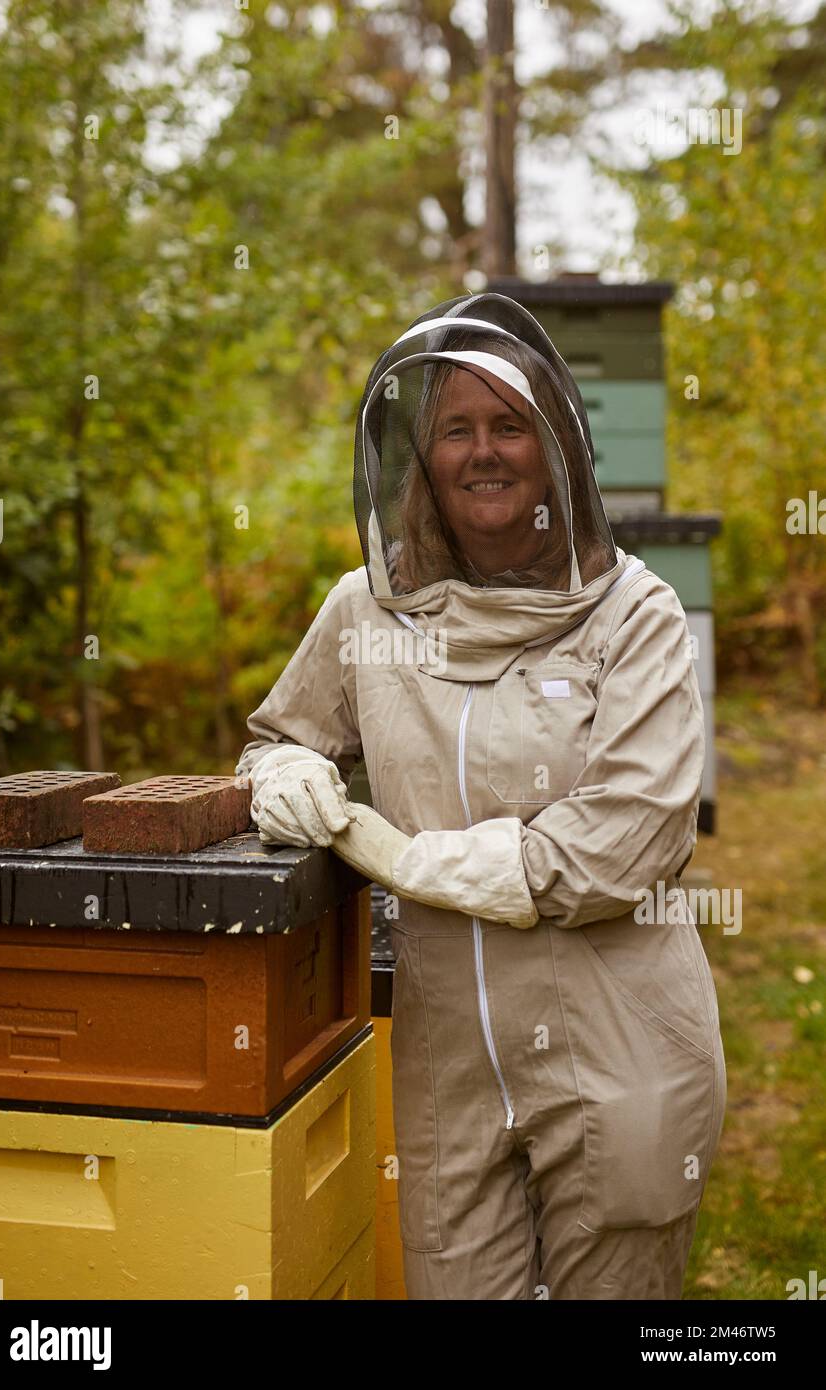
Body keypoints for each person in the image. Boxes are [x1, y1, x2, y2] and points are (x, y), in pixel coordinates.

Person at [235, 291, 727, 1300]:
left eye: (509, 424)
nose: (482, 451)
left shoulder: (634, 616)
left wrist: (396, 855)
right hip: (448, 1066)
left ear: (556, 448)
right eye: (455, 427)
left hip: (621, 1055)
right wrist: (287, 777)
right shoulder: (366, 608)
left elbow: (619, 844)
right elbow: (280, 734)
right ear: (420, 457)